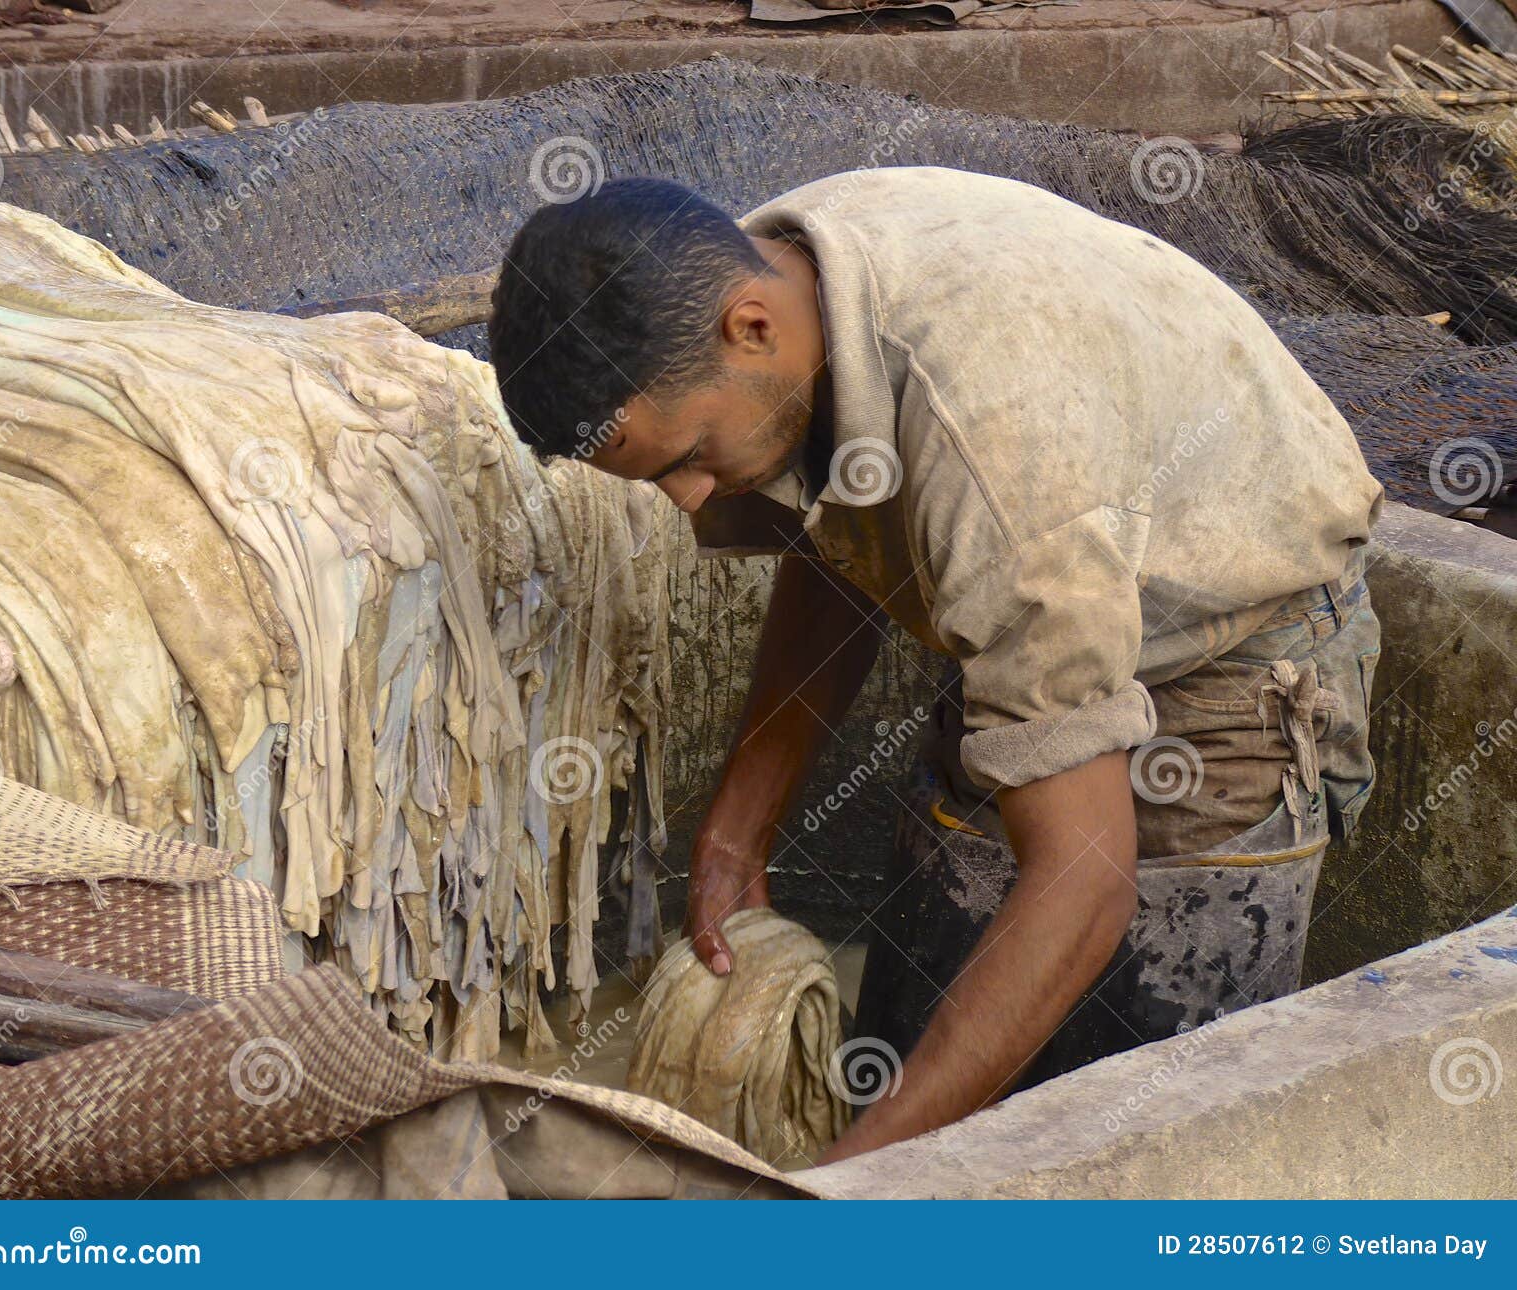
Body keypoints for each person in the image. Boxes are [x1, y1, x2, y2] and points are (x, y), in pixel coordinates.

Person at [488, 169, 1382, 1161]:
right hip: (1064, 581)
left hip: (1229, 651)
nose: (690, 500)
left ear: (750, 329)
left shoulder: (995, 457)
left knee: (1129, 1129)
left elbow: (1086, 881)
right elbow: (842, 539)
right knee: (927, 1046)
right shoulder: (752, 285)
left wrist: (846, 1188)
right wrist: (739, 829)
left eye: (685, 456)